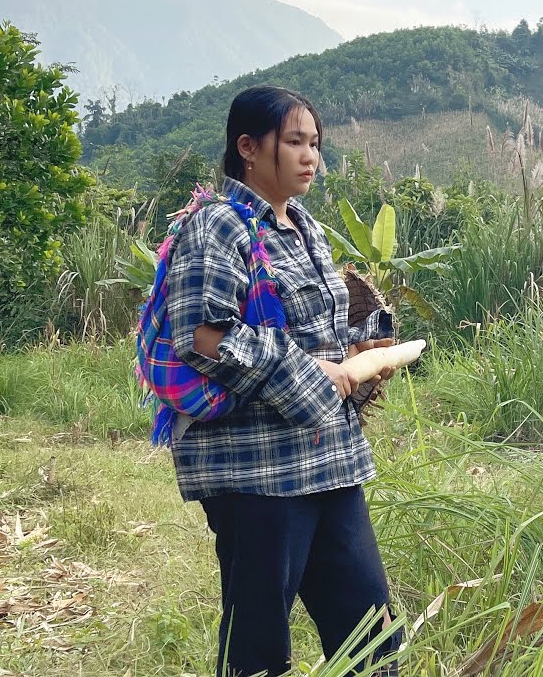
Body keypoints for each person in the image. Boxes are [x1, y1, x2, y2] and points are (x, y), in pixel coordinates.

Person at [164, 85, 400, 676]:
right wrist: (312, 373)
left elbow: (318, 335)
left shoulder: (306, 229)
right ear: (248, 147)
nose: (309, 156)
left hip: (330, 463)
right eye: (294, 141)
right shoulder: (218, 226)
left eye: (315, 143)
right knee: (259, 645)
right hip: (257, 475)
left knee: (371, 635)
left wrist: (363, 347)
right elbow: (201, 337)